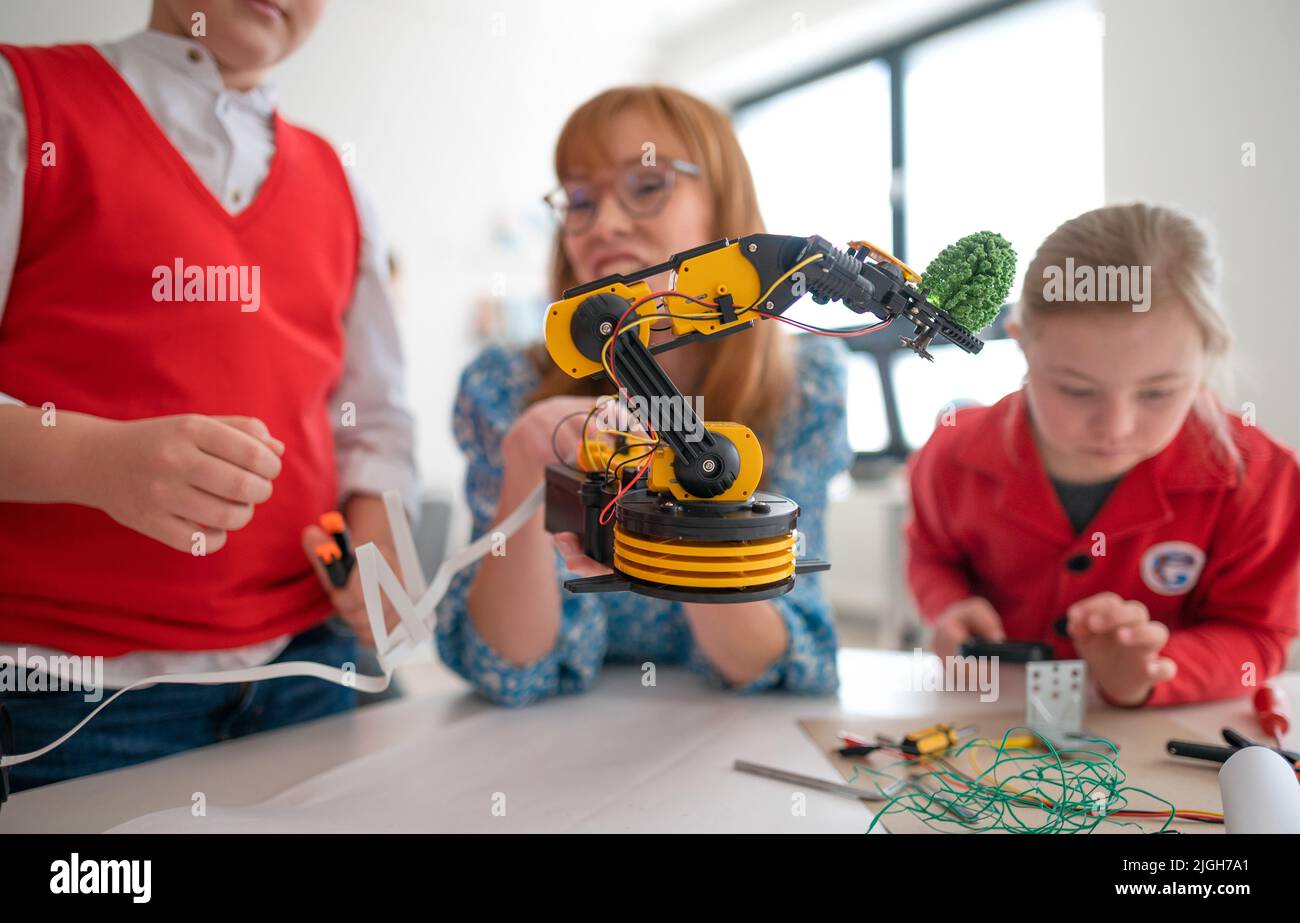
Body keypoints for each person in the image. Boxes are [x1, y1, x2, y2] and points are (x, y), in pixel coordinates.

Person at [0, 0, 416, 789]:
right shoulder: (21, 104)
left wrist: (374, 534)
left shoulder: (344, 187)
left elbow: (374, 421)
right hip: (68, 697)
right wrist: (92, 460)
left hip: (309, 670)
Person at [437, 86, 851, 706]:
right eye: (579, 200)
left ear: (726, 210)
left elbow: (771, 659)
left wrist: (695, 491)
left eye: (647, 185)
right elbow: (507, 667)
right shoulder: (505, 388)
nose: (602, 225)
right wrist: (529, 457)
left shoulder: (804, 384)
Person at [906, 203, 1300, 706]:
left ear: (1207, 356)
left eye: (1157, 393)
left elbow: (1257, 636)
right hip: (990, 722)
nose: (1116, 429)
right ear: (1023, 347)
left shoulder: (1263, 480)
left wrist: (1154, 670)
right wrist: (948, 604)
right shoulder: (951, 453)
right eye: (1076, 390)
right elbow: (930, 554)